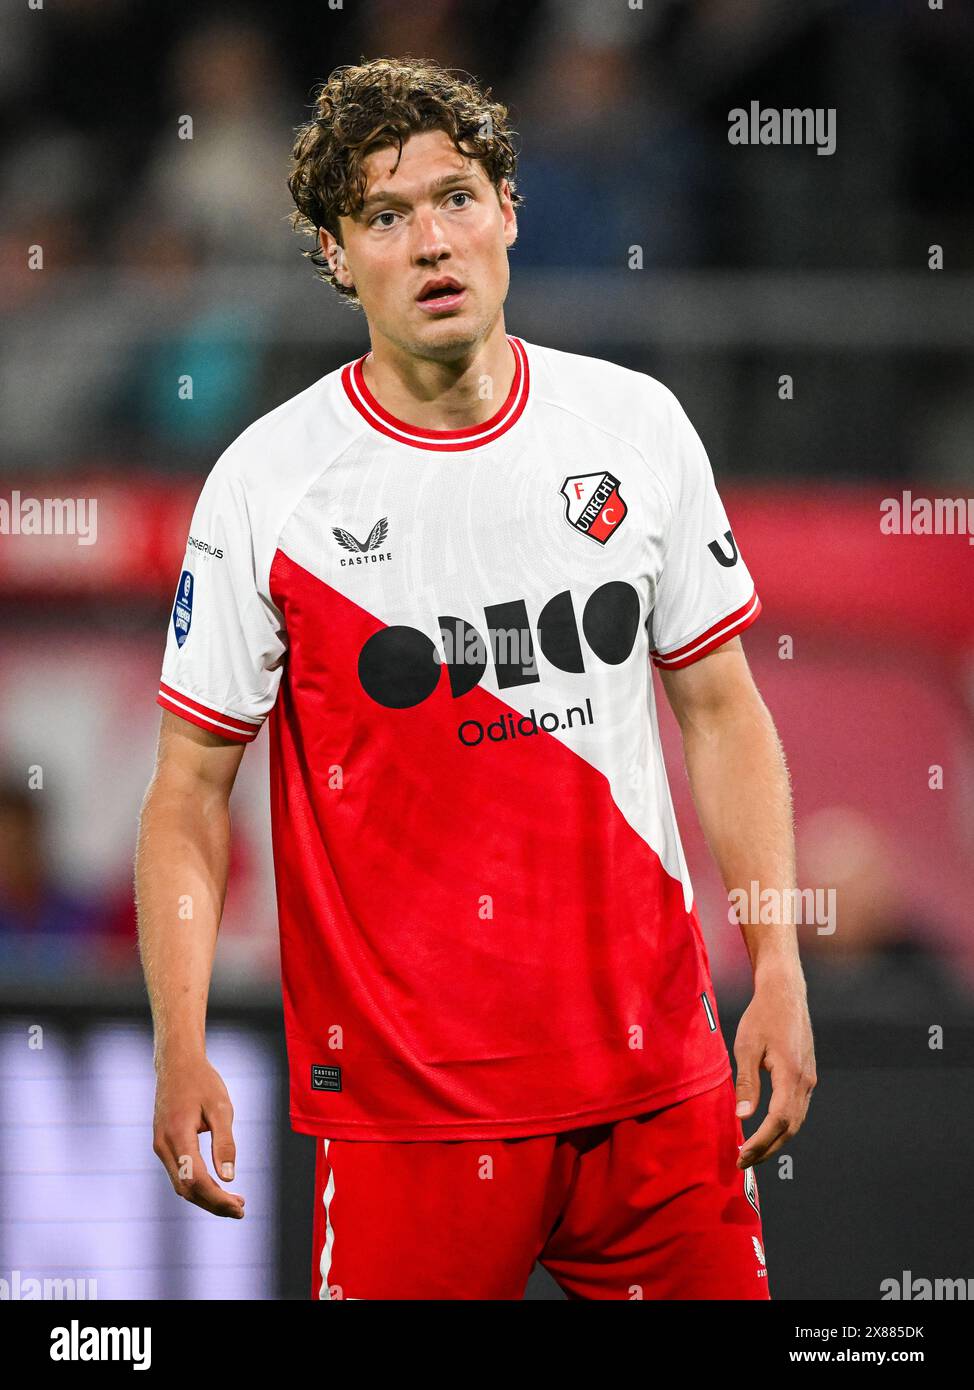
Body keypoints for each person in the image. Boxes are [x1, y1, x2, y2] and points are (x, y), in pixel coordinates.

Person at [136, 56, 815, 1301]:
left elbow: (721, 710)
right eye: (385, 216)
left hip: (655, 1090)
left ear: (508, 207)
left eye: (455, 197)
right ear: (338, 256)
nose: (430, 240)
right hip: (414, 1117)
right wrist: (178, 1042)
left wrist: (775, 964)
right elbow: (186, 793)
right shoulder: (267, 484)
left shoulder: (636, 425)